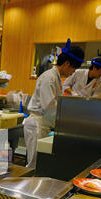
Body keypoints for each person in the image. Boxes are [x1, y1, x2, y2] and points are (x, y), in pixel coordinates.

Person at [23, 39, 85, 169]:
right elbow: (50, 106)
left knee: (39, 163)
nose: (73, 72)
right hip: (37, 123)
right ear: (67, 64)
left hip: (43, 123)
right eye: (74, 68)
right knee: (34, 164)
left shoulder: (56, 78)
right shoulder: (49, 78)